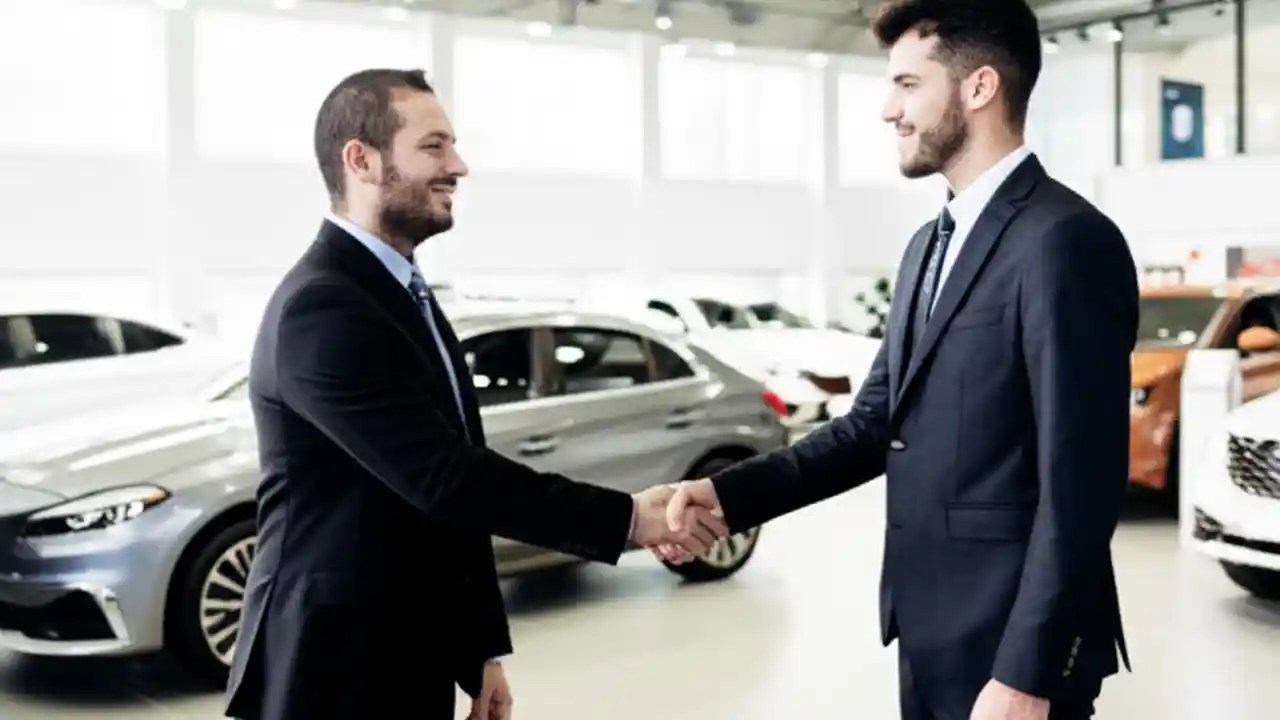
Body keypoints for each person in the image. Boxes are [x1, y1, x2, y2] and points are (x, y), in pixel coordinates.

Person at [662, 1, 1137, 718]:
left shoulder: (1064, 241)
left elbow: (1081, 486)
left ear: (979, 88)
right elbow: (873, 425)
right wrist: (730, 498)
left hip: (1012, 650)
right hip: (929, 628)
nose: (889, 109)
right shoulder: (927, 247)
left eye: (907, 84)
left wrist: (1028, 673)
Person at [223, 68, 725, 720]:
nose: (458, 165)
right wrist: (632, 519)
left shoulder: (402, 295)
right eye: (433, 146)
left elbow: (444, 499)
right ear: (361, 159)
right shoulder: (323, 307)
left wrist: (480, 646)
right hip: (331, 666)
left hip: (406, 648)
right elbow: (448, 479)